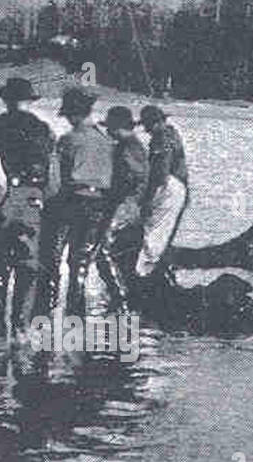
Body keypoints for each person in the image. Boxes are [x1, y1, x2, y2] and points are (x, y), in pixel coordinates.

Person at [0, 76, 55, 337]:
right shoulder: (42, 129)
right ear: (29, 100)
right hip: (32, 199)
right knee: (28, 264)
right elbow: (51, 172)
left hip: (2, 198)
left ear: (6, 100)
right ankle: (21, 328)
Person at [38, 87, 113, 316]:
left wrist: (47, 206)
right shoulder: (106, 140)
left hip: (72, 200)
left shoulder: (68, 140)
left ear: (73, 114)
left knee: (54, 256)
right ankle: (76, 312)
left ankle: (48, 309)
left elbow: (55, 180)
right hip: (99, 203)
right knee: (80, 261)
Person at [93, 105, 148, 312]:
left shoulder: (127, 148)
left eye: (111, 128)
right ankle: (120, 297)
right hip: (131, 207)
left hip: (124, 205)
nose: (108, 132)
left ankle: (119, 296)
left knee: (102, 249)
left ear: (118, 127)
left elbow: (132, 178)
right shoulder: (132, 146)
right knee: (120, 253)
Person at [136, 105, 189, 282]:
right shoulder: (172, 134)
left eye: (147, 125)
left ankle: (144, 272)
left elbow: (160, 172)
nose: (146, 129)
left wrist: (148, 199)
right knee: (162, 231)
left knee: (154, 230)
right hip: (178, 186)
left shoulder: (161, 138)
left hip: (168, 185)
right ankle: (153, 269)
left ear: (155, 123)